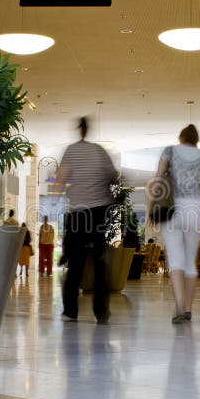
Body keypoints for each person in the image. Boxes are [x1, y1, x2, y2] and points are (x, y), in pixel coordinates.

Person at [56, 117, 118, 323]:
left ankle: (70, 311)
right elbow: (113, 176)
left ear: (78, 129)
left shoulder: (71, 151)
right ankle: (101, 311)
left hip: (78, 213)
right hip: (99, 212)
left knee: (75, 263)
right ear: (89, 129)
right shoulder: (100, 151)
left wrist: (63, 191)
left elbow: (60, 180)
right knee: (100, 262)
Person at [153, 124, 200, 323]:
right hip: (195, 209)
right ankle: (188, 309)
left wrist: (153, 205)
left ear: (181, 137)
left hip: (172, 207)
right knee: (190, 261)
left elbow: (157, 180)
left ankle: (179, 304)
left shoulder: (169, 151)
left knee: (175, 258)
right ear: (196, 139)